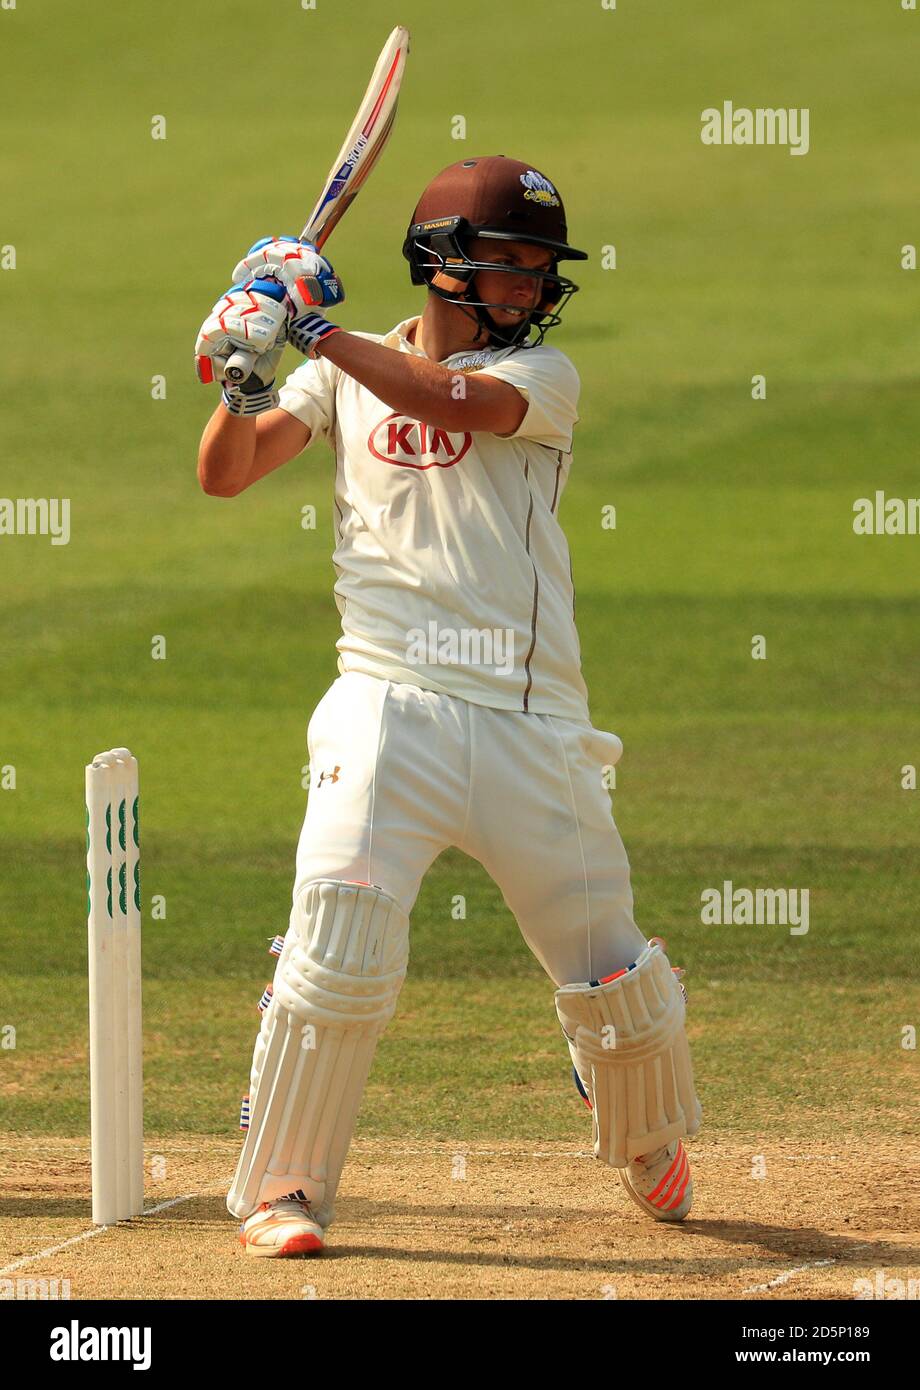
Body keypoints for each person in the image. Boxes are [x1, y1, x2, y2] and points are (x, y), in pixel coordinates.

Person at [195, 155, 701, 1257]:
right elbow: (225, 473)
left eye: (537, 268)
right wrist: (244, 362)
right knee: (337, 945)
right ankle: (284, 1189)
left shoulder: (543, 377)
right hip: (385, 703)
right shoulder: (338, 377)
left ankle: (642, 1128)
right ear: (438, 263)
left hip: (528, 720)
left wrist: (309, 328)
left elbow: (442, 397)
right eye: (505, 264)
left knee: (608, 975)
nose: (527, 287)